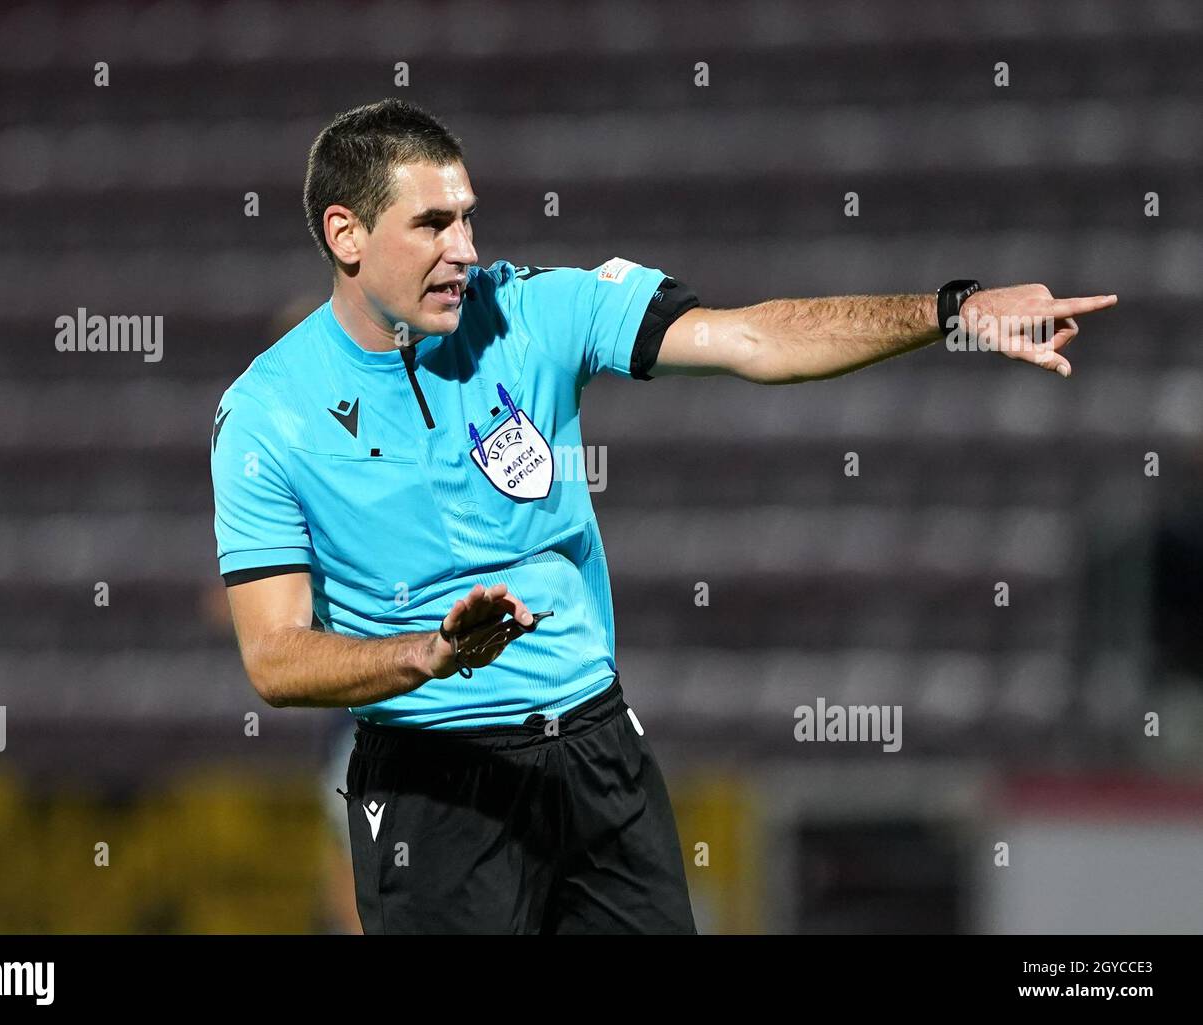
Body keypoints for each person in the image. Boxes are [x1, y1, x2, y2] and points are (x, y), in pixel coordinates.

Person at [209, 98, 1116, 934]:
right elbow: (275, 658)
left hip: (597, 754)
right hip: (435, 786)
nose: (466, 248)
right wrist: (428, 654)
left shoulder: (536, 311)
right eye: (433, 224)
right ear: (346, 234)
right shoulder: (266, 412)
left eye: (468, 216)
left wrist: (952, 311)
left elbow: (755, 338)